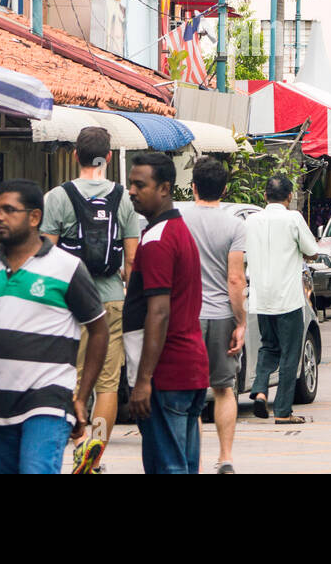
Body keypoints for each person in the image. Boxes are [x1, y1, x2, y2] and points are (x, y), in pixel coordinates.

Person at [0, 179, 107, 474]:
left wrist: (83, 397)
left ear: (34, 217)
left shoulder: (67, 267)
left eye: (9, 210)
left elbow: (99, 330)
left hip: (48, 398)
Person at [41, 126, 141, 473]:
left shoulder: (57, 197)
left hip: (70, 305)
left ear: (74, 156)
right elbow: (132, 264)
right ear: (109, 157)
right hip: (111, 300)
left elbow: (47, 256)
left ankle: (80, 444)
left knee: (73, 378)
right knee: (107, 384)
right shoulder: (125, 198)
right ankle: (95, 452)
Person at [124, 152, 208, 474]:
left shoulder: (158, 240)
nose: (132, 191)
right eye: (131, 183)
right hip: (188, 368)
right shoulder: (175, 230)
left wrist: (143, 380)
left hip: (168, 373)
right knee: (183, 465)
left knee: (169, 467)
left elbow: (158, 312)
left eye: (139, 185)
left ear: (164, 188)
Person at [176, 156, 247, 472]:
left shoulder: (177, 220)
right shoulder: (235, 225)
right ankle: (226, 457)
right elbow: (235, 279)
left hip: (185, 316)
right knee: (223, 388)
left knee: (188, 394)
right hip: (220, 316)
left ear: (193, 187)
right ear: (225, 188)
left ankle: (193, 460)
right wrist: (241, 321)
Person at [243, 174, 318, 427]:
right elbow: (312, 250)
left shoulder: (251, 221)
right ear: (289, 197)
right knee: (289, 354)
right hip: (288, 298)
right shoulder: (293, 218)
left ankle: (261, 390)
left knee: (268, 346)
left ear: (264, 196)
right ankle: (283, 411)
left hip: (260, 298)